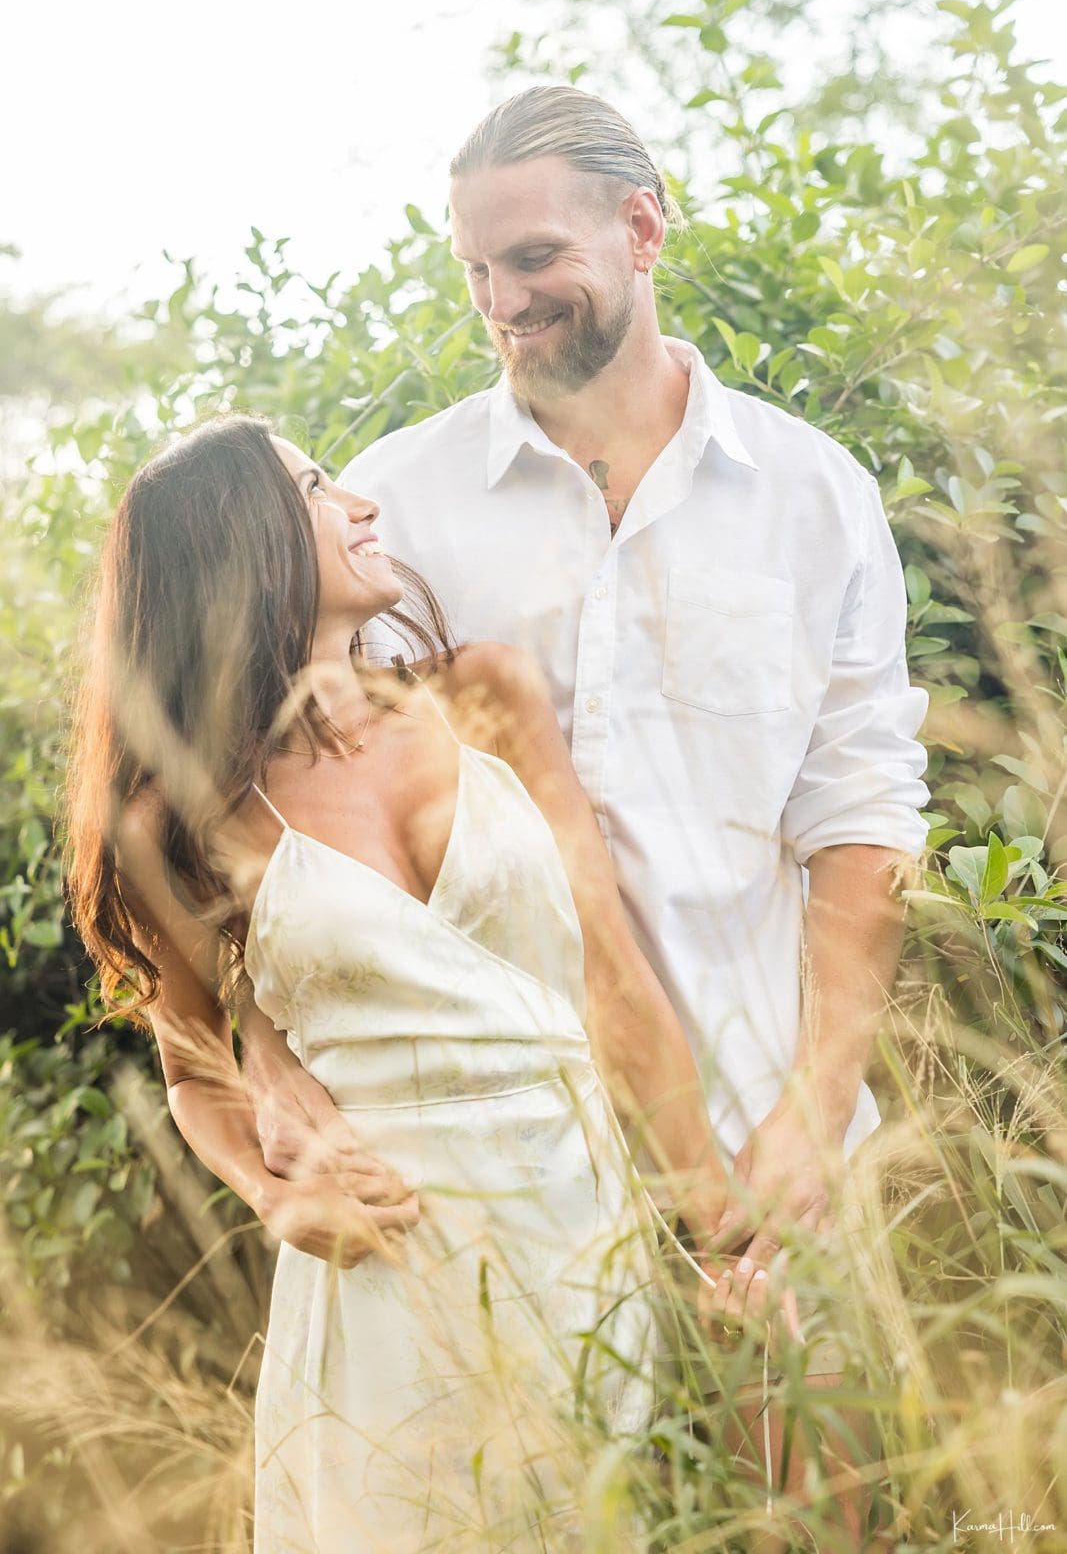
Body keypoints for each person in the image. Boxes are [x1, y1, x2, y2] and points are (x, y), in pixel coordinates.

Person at [240, 87, 930, 1542]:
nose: (502, 300)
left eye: (534, 257)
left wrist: (807, 1121)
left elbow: (862, 825)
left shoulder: (810, 496)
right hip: (504, 1184)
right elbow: (280, 836)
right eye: (476, 269)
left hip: (762, 1135)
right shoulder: (388, 509)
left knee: (806, 1520)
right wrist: (267, 1089)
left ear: (642, 224)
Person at [64, 415, 791, 1553]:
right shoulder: (180, 824)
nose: (358, 501)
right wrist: (277, 1199)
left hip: (577, 1237)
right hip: (386, 1274)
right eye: (313, 486)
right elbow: (194, 1073)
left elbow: (609, 971)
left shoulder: (482, 695)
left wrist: (717, 1237)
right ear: (243, 545)